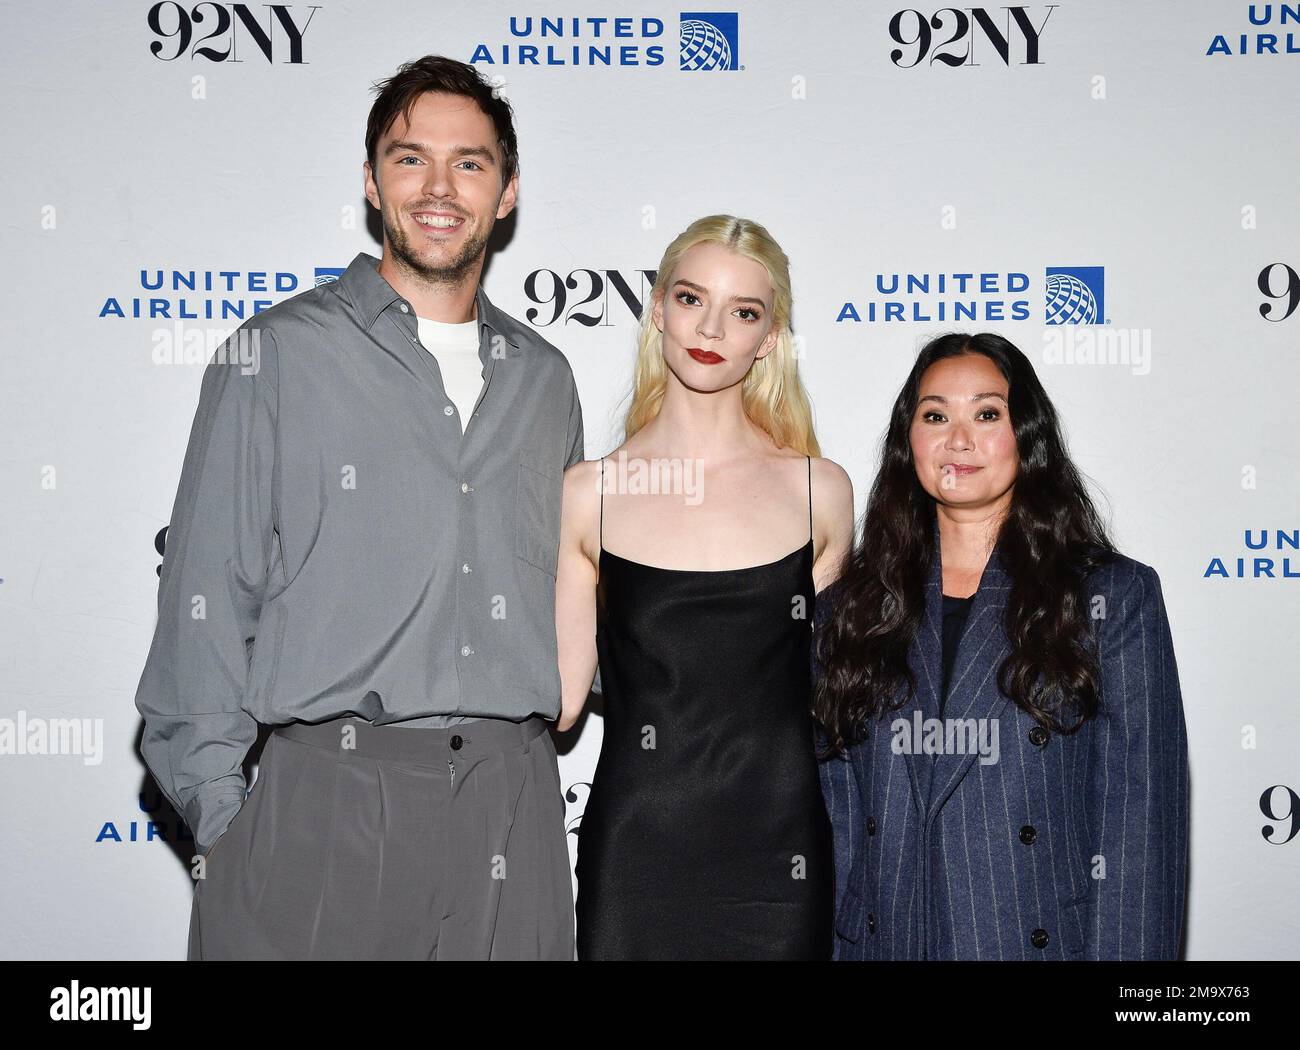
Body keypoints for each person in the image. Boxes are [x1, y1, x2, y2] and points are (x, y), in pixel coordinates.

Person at [134, 55, 583, 960]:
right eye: (410, 158)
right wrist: (231, 829)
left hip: (514, 809)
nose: (439, 187)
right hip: (327, 808)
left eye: (471, 162)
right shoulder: (274, 357)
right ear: (372, 182)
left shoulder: (546, 379)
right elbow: (204, 601)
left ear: (508, 192)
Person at [813, 332, 1190, 960]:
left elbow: (1140, 835)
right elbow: (840, 826)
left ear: (1029, 436)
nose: (958, 440)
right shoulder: (846, 612)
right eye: (935, 416)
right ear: (909, 440)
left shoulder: (1109, 598)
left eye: (986, 414)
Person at [554, 215, 854, 959]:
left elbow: (831, 691)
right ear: (657, 308)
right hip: (637, 852)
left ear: (771, 338)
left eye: (743, 312)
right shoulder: (589, 493)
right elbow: (562, 704)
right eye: (691, 299)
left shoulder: (821, 492)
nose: (711, 327)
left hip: (779, 856)